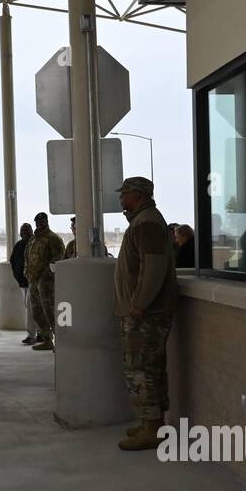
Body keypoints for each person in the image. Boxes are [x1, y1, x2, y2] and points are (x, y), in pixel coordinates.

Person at [113, 177, 179, 451]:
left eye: (125, 193)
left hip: (147, 314)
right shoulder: (143, 220)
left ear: (138, 195)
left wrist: (139, 304)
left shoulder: (148, 222)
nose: (121, 198)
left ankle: (151, 428)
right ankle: (150, 423)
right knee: (147, 367)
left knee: (141, 368)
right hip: (144, 311)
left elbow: (153, 266)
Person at [24, 211, 65, 350]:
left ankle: (61, 342)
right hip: (33, 280)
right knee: (36, 312)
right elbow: (27, 257)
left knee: (50, 312)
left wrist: (45, 274)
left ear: (47, 221)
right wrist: (27, 272)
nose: (39, 223)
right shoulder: (33, 239)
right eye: (37, 221)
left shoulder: (53, 238)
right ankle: (47, 339)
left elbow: (58, 258)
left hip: (46, 282)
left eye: (42, 221)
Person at [10, 222, 36, 343]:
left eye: (27, 230)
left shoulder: (35, 244)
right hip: (22, 282)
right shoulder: (19, 245)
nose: (25, 233)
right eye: (23, 231)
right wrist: (17, 275)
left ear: (31, 231)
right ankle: (36, 333)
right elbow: (13, 261)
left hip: (33, 281)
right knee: (28, 306)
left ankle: (34, 334)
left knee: (32, 308)